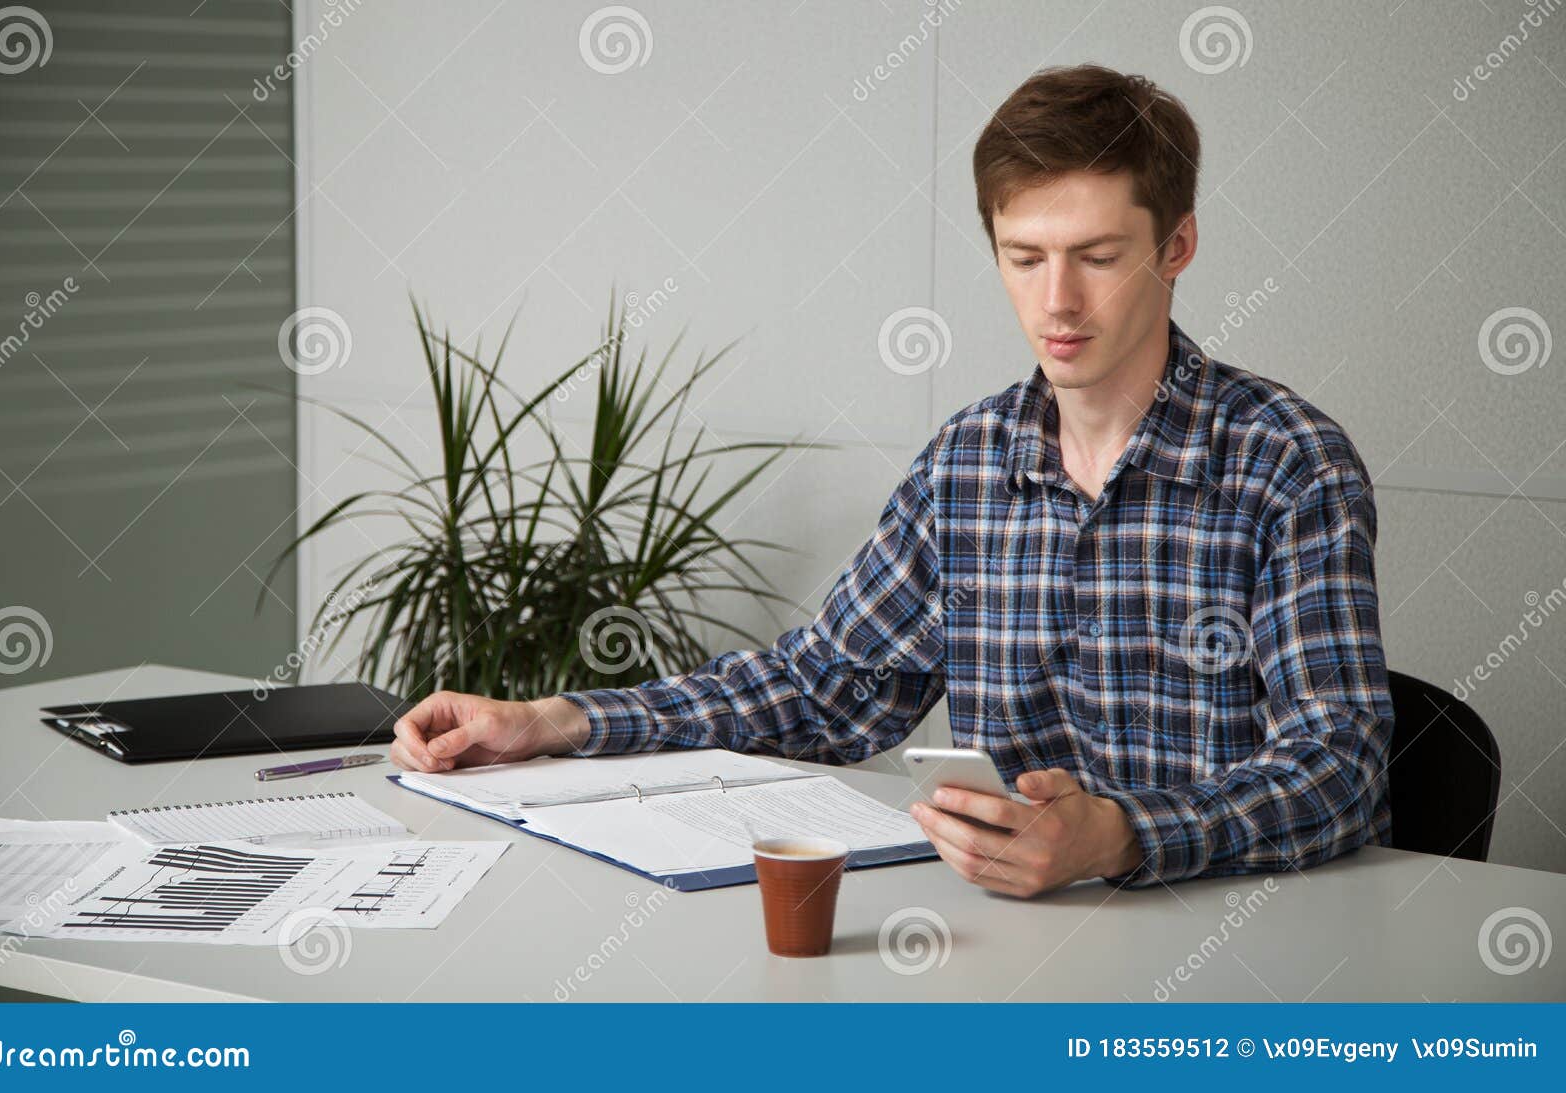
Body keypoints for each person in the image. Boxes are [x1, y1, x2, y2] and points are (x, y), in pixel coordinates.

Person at [390, 63, 1393, 898]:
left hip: (1236, 953)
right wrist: (548, 720)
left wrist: (1119, 833)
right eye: (1023, 256)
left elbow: (1338, 769)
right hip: (1010, 951)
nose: (1057, 300)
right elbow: (822, 692)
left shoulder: (1285, 460)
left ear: (1175, 246)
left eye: (1097, 256)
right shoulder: (965, 464)